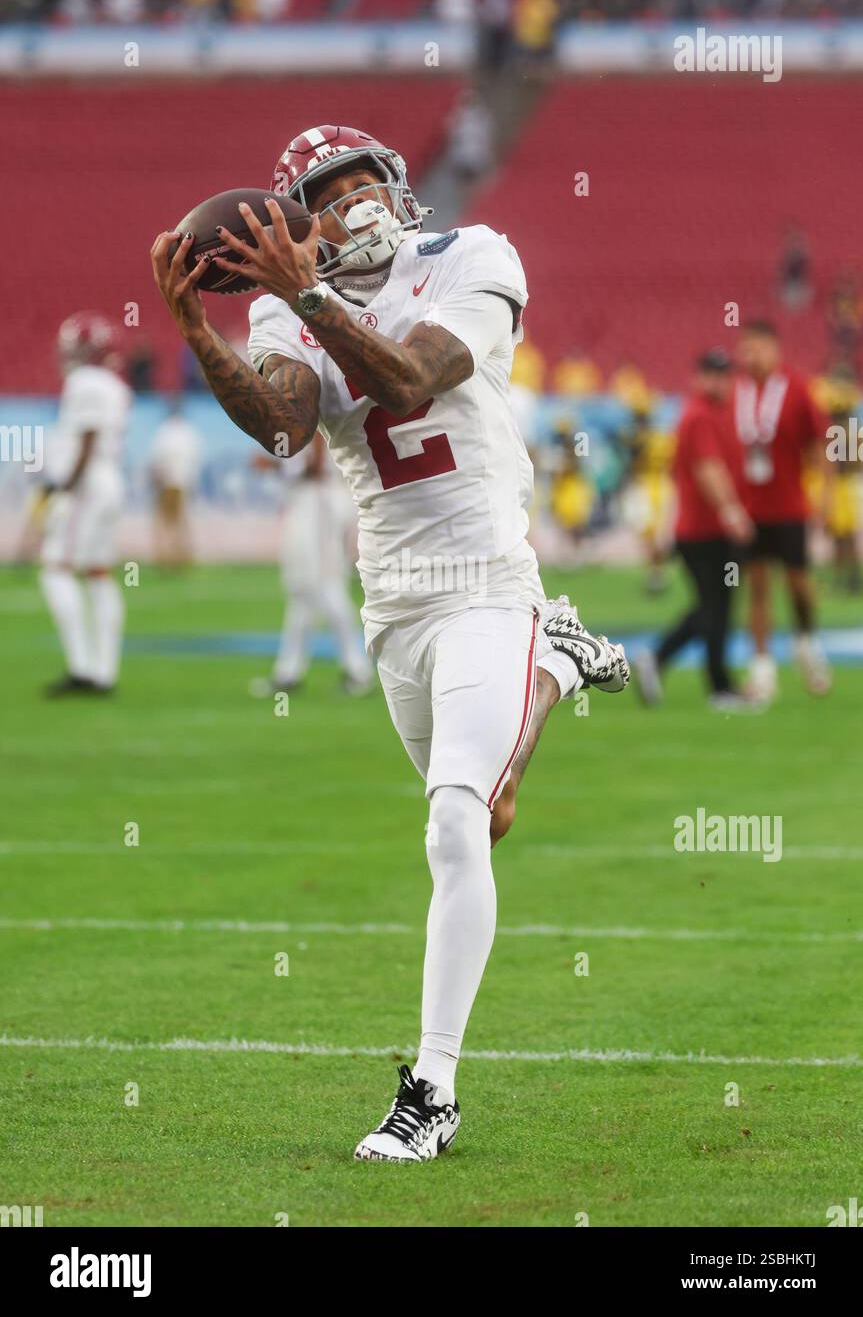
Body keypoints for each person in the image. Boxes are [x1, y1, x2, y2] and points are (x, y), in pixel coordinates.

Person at [150, 123, 629, 1163]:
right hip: (393, 606)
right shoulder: (282, 305)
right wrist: (197, 324)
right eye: (328, 193)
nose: (354, 202)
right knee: (486, 814)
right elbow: (282, 429)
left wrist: (315, 302)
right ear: (297, 224)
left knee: (452, 821)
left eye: (366, 182)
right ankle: (557, 662)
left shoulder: (470, 255)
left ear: (400, 189)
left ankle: (431, 1089)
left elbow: (410, 380)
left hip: (487, 583)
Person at [635, 349, 755, 710]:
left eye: (723, 374)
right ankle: (716, 686)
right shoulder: (700, 415)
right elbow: (708, 470)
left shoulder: (719, 412)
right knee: (714, 609)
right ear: (699, 376)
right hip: (704, 531)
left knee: (713, 607)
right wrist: (732, 511)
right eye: (712, 374)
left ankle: (665, 663)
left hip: (705, 529)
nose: (718, 381)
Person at [733, 320, 832, 701]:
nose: (751, 355)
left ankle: (807, 644)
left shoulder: (798, 387)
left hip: (790, 506)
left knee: (799, 585)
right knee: (757, 589)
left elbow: (821, 441)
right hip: (749, 509)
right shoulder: (736, 390)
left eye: (758, 347)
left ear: (775, 349)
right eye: (746, 348)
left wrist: (822, 492)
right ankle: (762, 670)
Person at [39, 313, 131, 696]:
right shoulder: (114, 384)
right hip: (107, 481)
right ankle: (104, 671)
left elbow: (88, 437)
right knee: (97, 574)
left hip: (88, 484)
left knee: (56, 569)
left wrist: (64, 486)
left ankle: (82, 667)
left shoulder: (85, 382)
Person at [251, 434, 373, 694]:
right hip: (310, 502)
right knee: (303, 590)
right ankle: (289, 672)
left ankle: (358, 670)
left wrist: (272, 466)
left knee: (327, 587)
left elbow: (316, 465)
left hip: (319, 502)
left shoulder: (311, 406)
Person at [147, 401, 203, 567]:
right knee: (183, 520)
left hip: (167, 481)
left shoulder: (164, 431)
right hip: (184, 481)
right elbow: (195, 459)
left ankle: (166, 557)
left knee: (165, 521)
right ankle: (183, 556)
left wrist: (157, 479)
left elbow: (158, 459)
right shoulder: (190, 432)